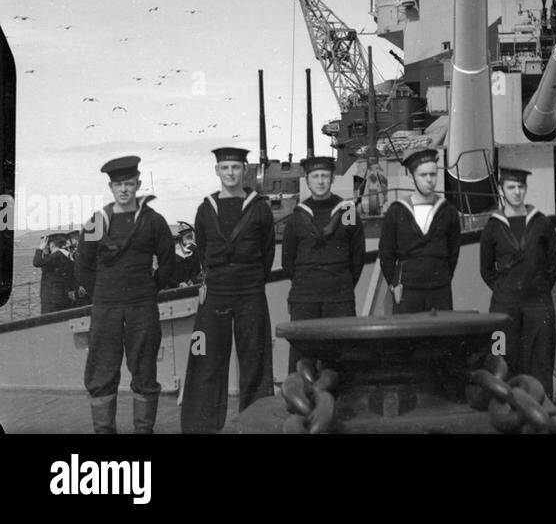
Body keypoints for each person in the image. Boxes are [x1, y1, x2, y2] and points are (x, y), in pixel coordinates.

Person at [180, 146, 277, 434]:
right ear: (217, 171)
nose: (231, 173)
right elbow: (203, 251)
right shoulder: (205, 208)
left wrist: (251, 280)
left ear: (244, 170)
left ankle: (255, 424)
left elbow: (267, 251)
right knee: (205, 356)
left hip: (250, 291)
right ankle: (202, 425)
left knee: (255, 359)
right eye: (225, 168)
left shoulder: (258, 207)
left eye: (236, 168)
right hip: (217, 293)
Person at [77, 156, 176, 434]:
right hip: (106, 308)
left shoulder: (153, 221)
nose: (124, 190)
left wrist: (148, 290)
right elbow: (82, 266)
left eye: (129, 184)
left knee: (144, 370)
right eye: (118, 184)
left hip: (141, 306)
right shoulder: (97, 222)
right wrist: (102, 294)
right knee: (101, 372)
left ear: (138, 184)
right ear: (111, 187)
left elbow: (167, 264)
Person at [479, 167, 556, 396]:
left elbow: (554, 264)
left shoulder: (542, 223)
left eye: (521, 187)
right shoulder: (492, 227)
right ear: (501, 189)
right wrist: (505, 290)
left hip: (538, 303)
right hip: (504, 306)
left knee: (542, 358)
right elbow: (485, 269)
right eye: (511, 187)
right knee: (503, 357)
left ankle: (544, 411)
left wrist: (539, 288)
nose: (517, 192)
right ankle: (507, 409)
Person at [282, 156, 365, 371]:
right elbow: (288, 261)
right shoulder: (298, 216)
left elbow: (357, 255)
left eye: (325, 176)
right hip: (305, 297)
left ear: (332, 179)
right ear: (308, 181)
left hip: (339, 296)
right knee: (302, 357)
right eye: (315, 177)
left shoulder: (346, 211)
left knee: (343, 354)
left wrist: (342, 282)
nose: (320, 181)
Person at [378, 149, 461, 312]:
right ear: (411, 177)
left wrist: (442, 277)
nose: (429, 180)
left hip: (439, 288)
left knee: (442, 335)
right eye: (423, 175)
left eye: (433, 174)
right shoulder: (397, 211)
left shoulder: (448, 211)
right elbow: (386, 252)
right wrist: (394, 284)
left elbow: (454, 251)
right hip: (407, 288)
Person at [33, 232, 76, 313]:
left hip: (51, 298)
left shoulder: (57, 255)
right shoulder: (66, 255)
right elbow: (47, 268)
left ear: (52, 244)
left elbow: (37, 263)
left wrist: (40, 249)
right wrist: (46, 254)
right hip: (62, 296)